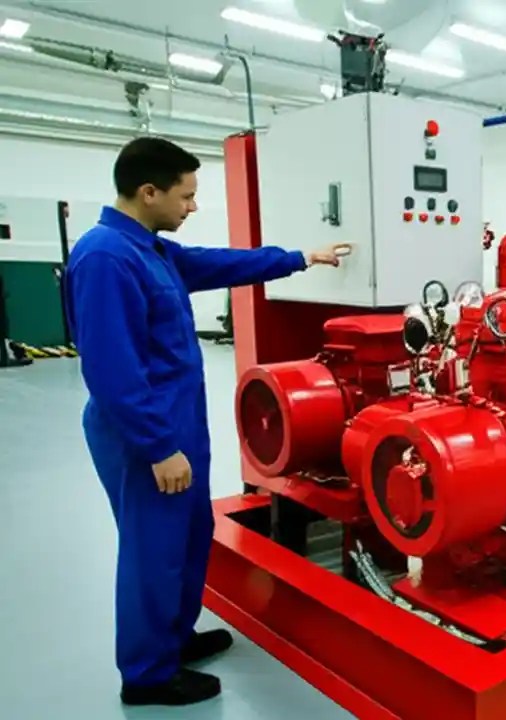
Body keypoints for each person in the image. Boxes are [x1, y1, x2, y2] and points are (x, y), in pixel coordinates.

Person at [64, 137, 348, 705]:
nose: (192, 207)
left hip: (176, 425)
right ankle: (146, 674)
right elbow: (112, 371)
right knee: (153, 549)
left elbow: (219, 263)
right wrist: (158, 447)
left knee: (188, 537)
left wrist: (298, 258)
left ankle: (172, 639)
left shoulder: (151, 248)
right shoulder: (104, 257)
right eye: (186, 196)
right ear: (149, 193)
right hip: (144, 435)